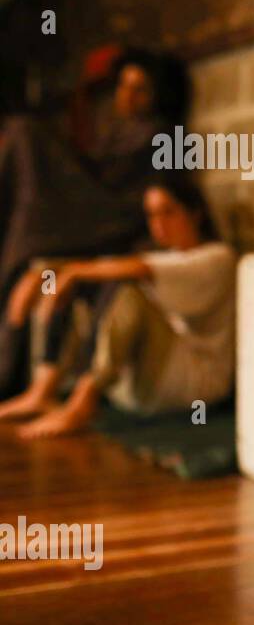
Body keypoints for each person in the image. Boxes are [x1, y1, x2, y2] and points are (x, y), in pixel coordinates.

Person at [0, 48, 189, 397]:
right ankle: (20, 379)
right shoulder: (115, 134)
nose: (127, 97)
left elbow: (132, 198)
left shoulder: (159, 136)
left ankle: (12, 378)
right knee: (27, 256)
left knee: (24, 136)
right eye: (123, 86)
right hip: (89, 217)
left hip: (111, 221)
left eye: (140, 89)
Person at [0, 173, 235, 439]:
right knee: (82, 285)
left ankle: (81, 403)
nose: (159, 225)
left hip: (193, 387)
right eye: (152, 215)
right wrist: (43, 274)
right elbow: (105, 268)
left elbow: (135, 269)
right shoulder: (167, 257)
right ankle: (42, 390)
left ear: (195, 213)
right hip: (145, 383)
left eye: (168, 212)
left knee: (123, 285)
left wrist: (66, 273)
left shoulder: (218, 258)